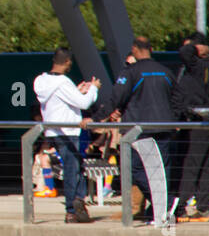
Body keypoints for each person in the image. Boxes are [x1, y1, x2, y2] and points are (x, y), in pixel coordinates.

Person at [98, 36, 174, 221]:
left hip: (138, 130)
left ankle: (166, 203)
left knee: (134, 169)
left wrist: (95, 118)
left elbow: (117, 97)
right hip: (163, 127)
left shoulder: (132, 72)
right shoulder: (165, 71)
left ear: (135, 49)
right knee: (159, 171)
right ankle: (161, 207)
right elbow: (176, 98)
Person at [34, 48, 99, 224]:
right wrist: (93, 89)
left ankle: (78, 204)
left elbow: (60, 100)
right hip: (69, 131)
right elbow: (84, 103)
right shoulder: (63, 82)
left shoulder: (41, 81)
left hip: (53, 131)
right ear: (68, 62)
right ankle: (72, 209)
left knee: (75, 167)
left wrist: (76, 91)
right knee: (73, 169)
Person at [172, 32, 209, 222]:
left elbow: (184, 51)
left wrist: (197, 47)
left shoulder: (197, 66)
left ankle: (180, 206)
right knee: (206, 164)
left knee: (190, 164)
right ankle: (203, 207)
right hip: (206, 123)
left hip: (195, 123)